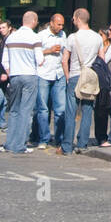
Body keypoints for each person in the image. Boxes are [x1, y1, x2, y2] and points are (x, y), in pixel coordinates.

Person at [60, 7, 102, 155]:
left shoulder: (72, 38)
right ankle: (82, 143)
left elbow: (64, 60)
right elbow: (101, 59)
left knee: (71, 112)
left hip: (75, 76)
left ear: (78, 19)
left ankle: (67, 146)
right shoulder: (97, 37)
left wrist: (67, 76)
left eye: (73, 18)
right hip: (90, 76)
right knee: (87, 110)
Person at [1, 12, 44, 154]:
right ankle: (19, 145)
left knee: (13, 110)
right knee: (25, 111)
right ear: (34, 21)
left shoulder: (11, 38)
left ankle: (9, 144)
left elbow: (4, 61)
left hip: (14, 76)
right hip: (30, 76)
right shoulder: (35, 37)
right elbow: (40, 59)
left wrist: (10, 73)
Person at [34, 13, 66, 150]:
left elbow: (65, 52)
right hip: (43, 74)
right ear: (51, 23)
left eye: (62, 24)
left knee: (60, 109)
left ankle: (59, 139)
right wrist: (49, 50)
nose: (61, 27)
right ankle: (44, 139)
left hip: (59, 74)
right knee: (43, 109)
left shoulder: (63, 35)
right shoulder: (41, 36)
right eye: (59, 24)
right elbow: (35, 53)